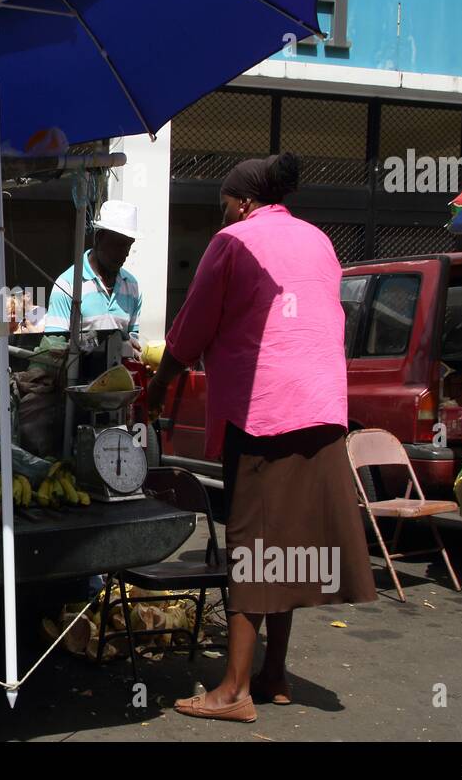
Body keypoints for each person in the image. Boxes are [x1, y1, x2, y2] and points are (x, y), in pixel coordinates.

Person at [146, 152, 376, 723]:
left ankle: (233, 690)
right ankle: (274, 674)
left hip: (265, 410)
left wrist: (157, 387)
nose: (223, 215)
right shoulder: (319, 241)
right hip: (322, 408)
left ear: (244, 202)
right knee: (290, 544)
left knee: (252, 542)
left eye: (225, 205)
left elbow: (192, 328)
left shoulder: (234, 241)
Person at [42, 200, 142, 350]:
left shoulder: (132, 286)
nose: (125, 253)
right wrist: (98, 344)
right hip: (80, 373)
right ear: (99, 238)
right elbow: (53, 346)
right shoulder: (67, 284)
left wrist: (131, 345)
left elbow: (133, 336)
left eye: (129, 245)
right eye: (118, 244)